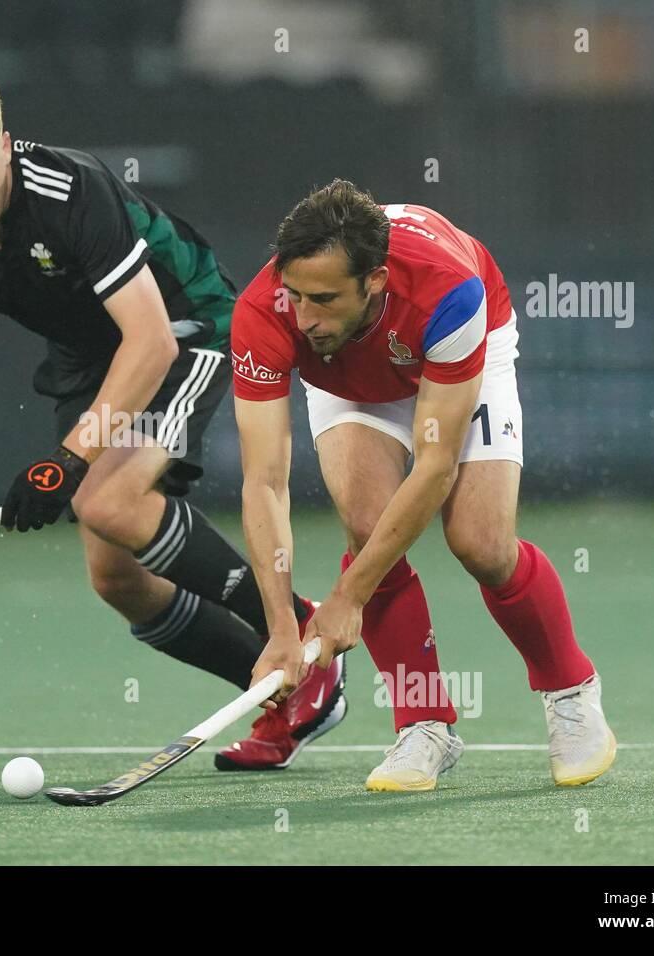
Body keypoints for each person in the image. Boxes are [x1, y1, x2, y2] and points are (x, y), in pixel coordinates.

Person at [0, 67, 346, 770]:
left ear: (6, 145)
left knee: (107, 498)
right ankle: (283, 693)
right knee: (117, 579)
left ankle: (297, 629)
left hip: (184, 324)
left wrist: (70, 458)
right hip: (90, 359)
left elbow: (150, 341)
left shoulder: (69, 190)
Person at [231, 180, 616, 790]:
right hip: (346, 380)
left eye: (324, 299)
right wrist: (282, 625)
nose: (304, 319)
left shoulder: (448, 291)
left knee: (482, 544)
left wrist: (348, 597)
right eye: (295, 296)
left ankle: (570, 689)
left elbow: (436, 467)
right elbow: (265, 481)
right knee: (366, 524)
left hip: (455, 355)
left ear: (375, 280)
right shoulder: (264, 313)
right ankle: (424, 724)